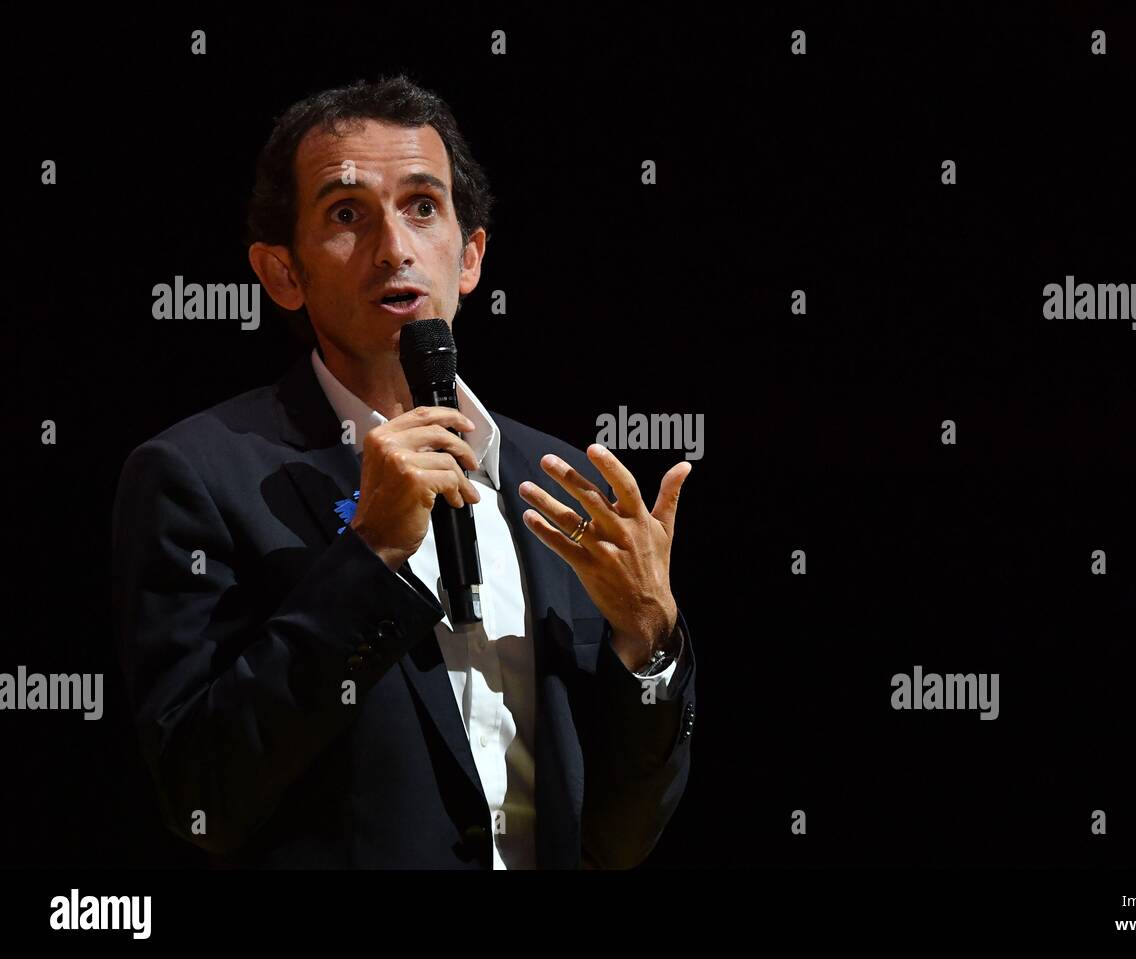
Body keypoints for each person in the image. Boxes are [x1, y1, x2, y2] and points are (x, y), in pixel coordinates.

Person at [110, 75, 697, 869]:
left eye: (424, 206)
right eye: (347, 214)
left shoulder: (557, 485)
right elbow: (202, 795)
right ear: (282, 272)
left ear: (471, 256)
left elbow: (620, 840)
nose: (395, 246)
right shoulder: (197, 478)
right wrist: (370, 557)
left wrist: (650, 643)